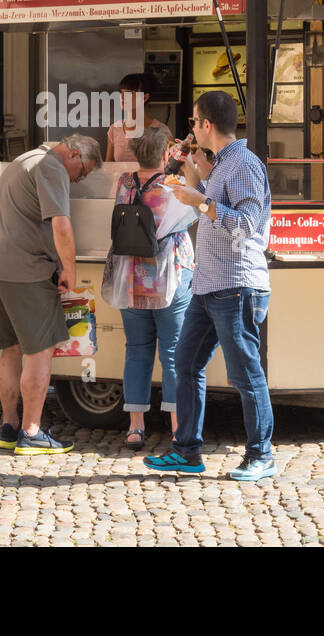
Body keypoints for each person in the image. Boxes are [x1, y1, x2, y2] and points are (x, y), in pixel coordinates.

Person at [144, 89, 276, 482]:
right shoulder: (222, 166)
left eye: (193, 123)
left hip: (236, 286)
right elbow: (217, 212)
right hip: (210, 285)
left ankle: (261, 455)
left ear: (206, 124)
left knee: (245, 374)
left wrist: (199, 201)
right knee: (185, 364)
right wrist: (194, 182)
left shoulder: (244, 165)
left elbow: (247, 225)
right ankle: (187, 451)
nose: (191, 130)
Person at [0, 133, 102, 455]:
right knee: (39, 351)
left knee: (11, 349)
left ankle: (9, 426)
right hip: (24, 270)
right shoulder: (51, 167)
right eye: (82, 171)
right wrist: (69, 269)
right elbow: (61, 225)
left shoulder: (24, 160)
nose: (80, 179)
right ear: (73, 153)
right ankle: (31, 431)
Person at [101, 124, 196, 448]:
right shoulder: (173, 187)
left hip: (130, 278)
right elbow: (198, 211)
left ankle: (135, 427)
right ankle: (177, 428)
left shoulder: (124, 183)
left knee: (137, 351)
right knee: (173, 353)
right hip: (167, 277)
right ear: (165, 153)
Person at [104, 72, 172, 163]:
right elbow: (108, 166)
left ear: (144, 97)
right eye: (121, 92)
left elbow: (169, 167)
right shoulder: (115, 129)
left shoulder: (161, 131)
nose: (123, 97)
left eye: (129, 93)